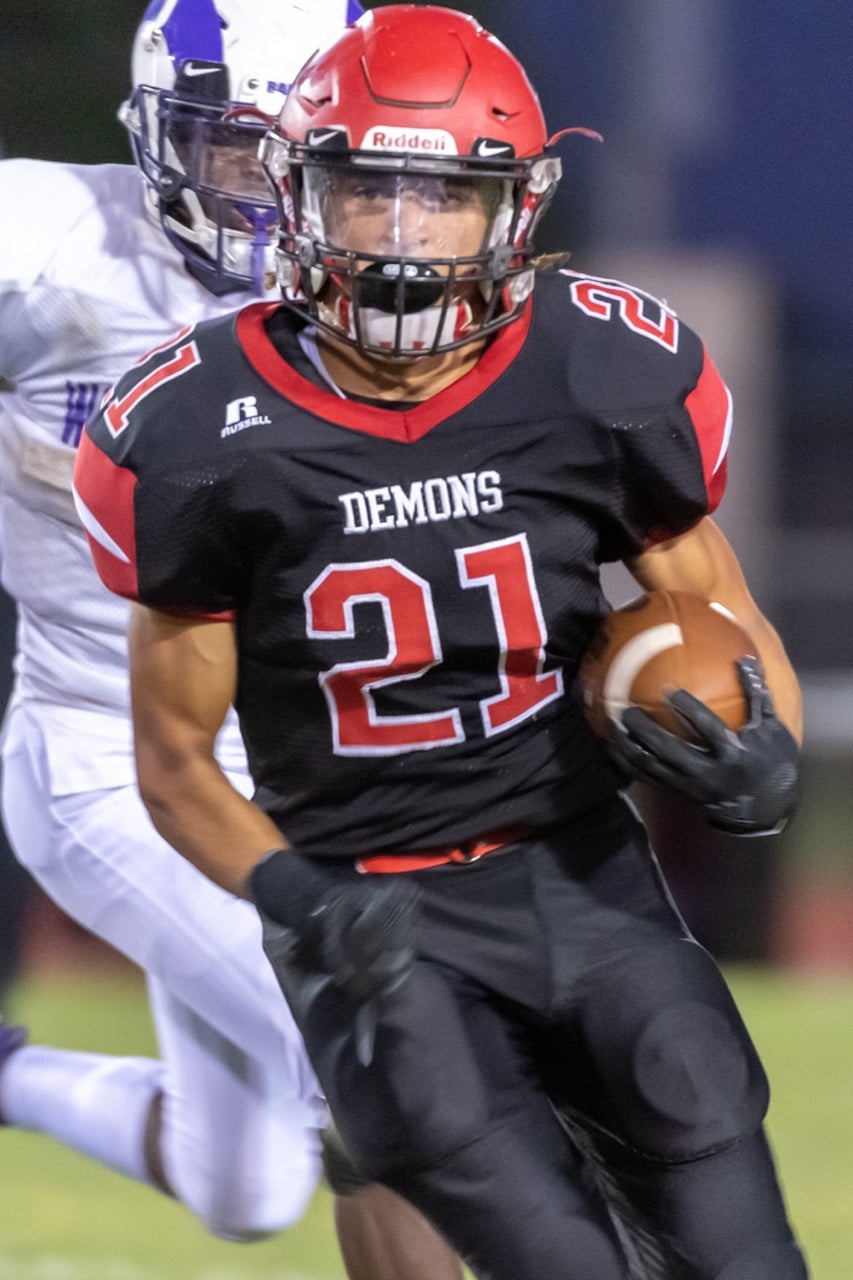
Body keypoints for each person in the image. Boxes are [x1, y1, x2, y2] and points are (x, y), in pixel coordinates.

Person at [74, 6, 808, 1277]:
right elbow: (176, 758)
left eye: (444, 198)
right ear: (299, 192)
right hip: (369, 904)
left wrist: (767, 748)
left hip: (580, 867)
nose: (405, 234)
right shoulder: (192, 431)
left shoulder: (596, 365)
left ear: (514, 210)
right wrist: (295, 898)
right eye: (370, 191)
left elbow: (720, 611)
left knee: (715, 1162)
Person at [0, 2, 464, 1276]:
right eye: (232, 149)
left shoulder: (405, 283)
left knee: (245, 1184)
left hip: (322, 770)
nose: (264, 193)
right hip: (111, 756)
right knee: (391, 1040)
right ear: (158, 132)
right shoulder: (42, 248)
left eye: (298, 156)